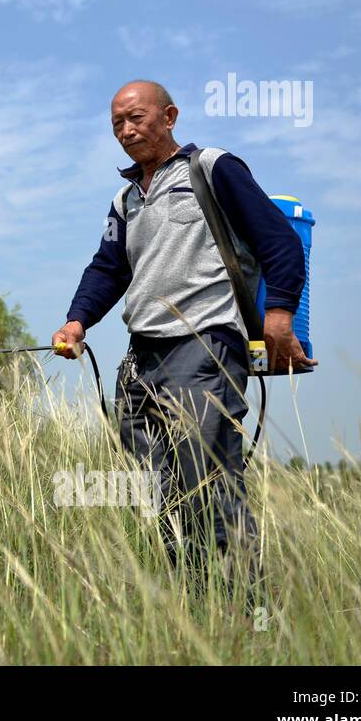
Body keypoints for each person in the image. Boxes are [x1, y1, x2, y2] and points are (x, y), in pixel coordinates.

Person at [53, 80, 317, 603]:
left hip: (205, 346)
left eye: (136, 118)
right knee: (162, 492)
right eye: (116, 125)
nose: (126, 131)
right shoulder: (125, 199)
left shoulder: (213, 169)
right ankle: (195, 604)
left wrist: (280, 316)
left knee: (211, 483)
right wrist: (77, 322)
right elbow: (107, 270)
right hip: (142, 360)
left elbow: (280, 242)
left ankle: (248, 612)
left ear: (169, 115)